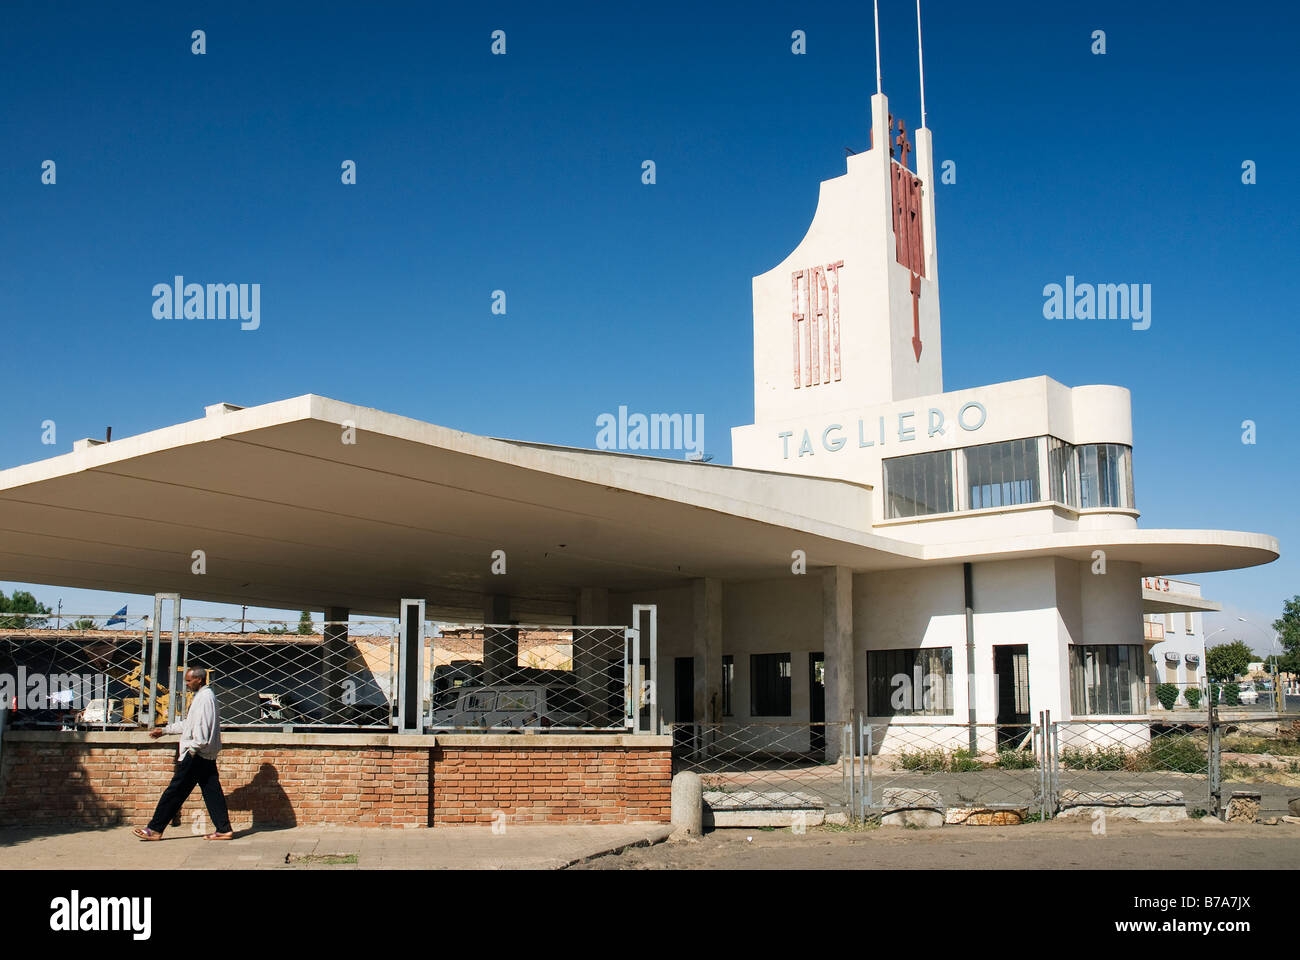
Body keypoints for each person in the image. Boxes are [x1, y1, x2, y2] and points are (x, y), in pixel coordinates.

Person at [132, 667, 234, 841]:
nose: (186, 684)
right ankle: (223, 829)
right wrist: (165, 731)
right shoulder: (202, 697)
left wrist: (193, 749)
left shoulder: (204, 698)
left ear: (199, 680)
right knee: (212, 791)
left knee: (175, 791)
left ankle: (154, 829)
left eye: (188, 681)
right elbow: (190, 724)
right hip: (203, 754)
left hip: (197, 753)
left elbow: (201, 728)